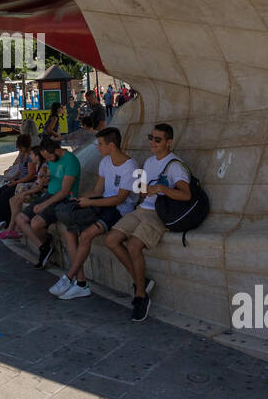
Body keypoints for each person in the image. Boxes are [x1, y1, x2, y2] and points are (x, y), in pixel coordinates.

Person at [106, 123, 191, 321]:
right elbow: (146, 188)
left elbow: (185, 195)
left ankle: (141, 295)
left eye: (157, 139)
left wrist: (162, 189)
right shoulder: (150, 161)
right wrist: (144, 191)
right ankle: (141, 280)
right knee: (112, 240)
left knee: (134, 245)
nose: (152, 142)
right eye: (150, 137)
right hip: (143, 209)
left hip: (160, 214)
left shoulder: (175, 165)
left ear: (169, 143)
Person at [50, 127, 138, 300]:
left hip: (121, 210)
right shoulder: (105, 162)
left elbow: (119, 199)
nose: (98, 147)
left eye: (100, 144)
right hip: (104, 205)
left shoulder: (130, 166)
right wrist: (80, 199)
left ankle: (69, 277)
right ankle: (80, 282)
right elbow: (98, 189)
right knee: (70, 229)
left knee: (86, 235)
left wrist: (91, 202)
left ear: (111, 145)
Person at [12, 138, 80, 268]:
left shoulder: (71, 161)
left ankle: (46, 244)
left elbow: (65, 191)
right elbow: (52, 176)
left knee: (35, 223)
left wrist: (44, 204)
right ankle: (43, 247)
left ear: (55, 151)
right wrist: (45, 177)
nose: (47, 161)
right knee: (20, 218)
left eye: (48, 158)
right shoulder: (51, 159)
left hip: (62, 199)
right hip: (49, 194)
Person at [0, 146, 48, 240]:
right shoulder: (39, 165)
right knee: (12, 200)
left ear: (38, 156)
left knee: (16, 200)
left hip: (40, 193)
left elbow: (40, 187)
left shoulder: (43, 168)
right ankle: (13, 228)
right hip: (36, 190)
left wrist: (26, 192)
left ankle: (12, 229)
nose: (30, 157)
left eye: (32, 155)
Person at [0, 134, 35, 232]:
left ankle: (5, 220)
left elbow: (31, 175)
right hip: (19, 180)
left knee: (6, 194)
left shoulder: (31, 156)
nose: (19, 149)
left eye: (20, 147)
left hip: (26, 182)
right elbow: (20, 170)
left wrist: (16, 182)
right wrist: (12, 178)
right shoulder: (23, 154)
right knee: (0, 191)